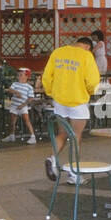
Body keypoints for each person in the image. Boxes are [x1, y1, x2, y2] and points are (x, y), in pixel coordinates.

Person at [41, 37, 101, 183]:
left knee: (61, 134)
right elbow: (92, 81)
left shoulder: (58, 52)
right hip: (78, 101)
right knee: (76, 137)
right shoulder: (87, 56)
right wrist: (91, 91)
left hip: (60, 101)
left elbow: (47, 77)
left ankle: (52, 158)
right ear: (87, 47)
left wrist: (50, 92)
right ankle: (74, 175)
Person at [2, 68, 37, 144]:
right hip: (14, 105)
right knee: (12, 121)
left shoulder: (29, 87)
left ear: (27, 77)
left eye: (21, 75)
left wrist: (23, 105)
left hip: (23, 106)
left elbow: (30, 98)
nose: (19, 77)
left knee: (26, 121)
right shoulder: (15, 84)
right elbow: (10, 89)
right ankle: (12, 135)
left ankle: (33, 136)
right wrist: (16, 92)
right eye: (18, 75)